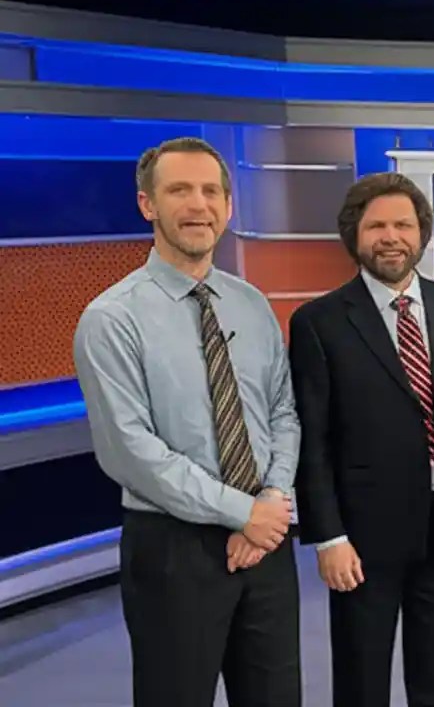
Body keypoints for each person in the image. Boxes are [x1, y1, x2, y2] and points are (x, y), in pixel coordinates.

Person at [72, 137, 301, 707]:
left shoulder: (251, 304)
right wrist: (242, 513)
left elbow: (283, 413)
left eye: (210, 191)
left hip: (266, 543)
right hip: (173, 549)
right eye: (179, 190)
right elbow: (129, 451)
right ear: (148, 204)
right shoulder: (111, 318)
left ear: (227, 206)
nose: (198, 205)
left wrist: (268, 502)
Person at [289, 171, 434, 707]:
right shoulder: (319, 322)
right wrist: (328, 537)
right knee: (362, 679)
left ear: (422, 233)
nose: (391, 236)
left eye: (403, 225)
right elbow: (310, 440)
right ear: (355, 235)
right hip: (363, 536)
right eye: (377, 225)